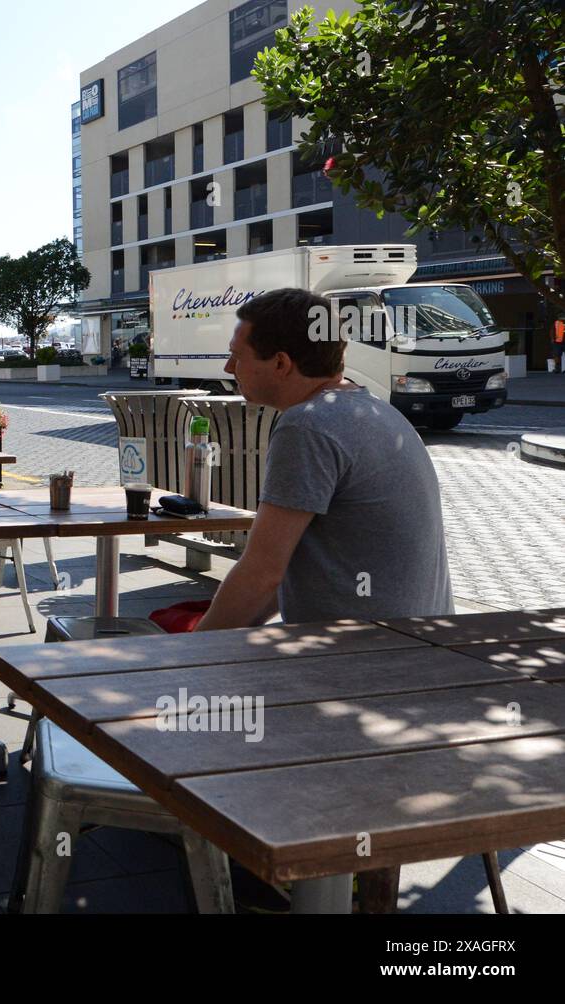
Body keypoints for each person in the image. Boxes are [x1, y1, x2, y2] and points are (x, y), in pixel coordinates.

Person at [194, 287, 454, 913]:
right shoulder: (369, 410)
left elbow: (259, 576)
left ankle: (278, 877)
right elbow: (282, 583)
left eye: (237, 355)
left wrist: (183, 654)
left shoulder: (307, 427)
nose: (228, 369)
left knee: (202, 718)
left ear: (281, 363)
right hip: (425, 661)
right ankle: (319, 880)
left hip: (363, 676)